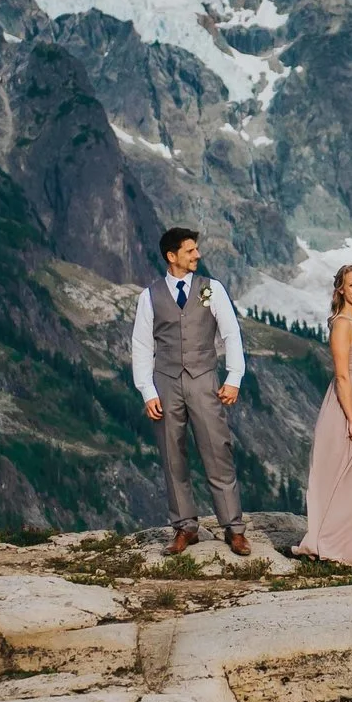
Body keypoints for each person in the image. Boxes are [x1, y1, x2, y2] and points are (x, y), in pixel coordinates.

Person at [130, 226, 251, 557]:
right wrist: (147, 391)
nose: (197, 255)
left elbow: (230, 333)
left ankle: (234, 528)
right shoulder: (150, 296)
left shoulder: (208, 290)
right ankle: (185, 527)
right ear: (172, 257)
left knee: (217, 449)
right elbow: (141, 346)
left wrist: (234, 377)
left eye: (196, 249)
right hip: (166, 382)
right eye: (190, 251)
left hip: (203, 380)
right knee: (172, 455)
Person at [293, 264, 352, 567]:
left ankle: (349, 546)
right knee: (345, 476)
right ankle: (334, 547)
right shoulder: (342, 325)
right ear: (340, 289)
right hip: (348, 407)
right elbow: (342, 376)